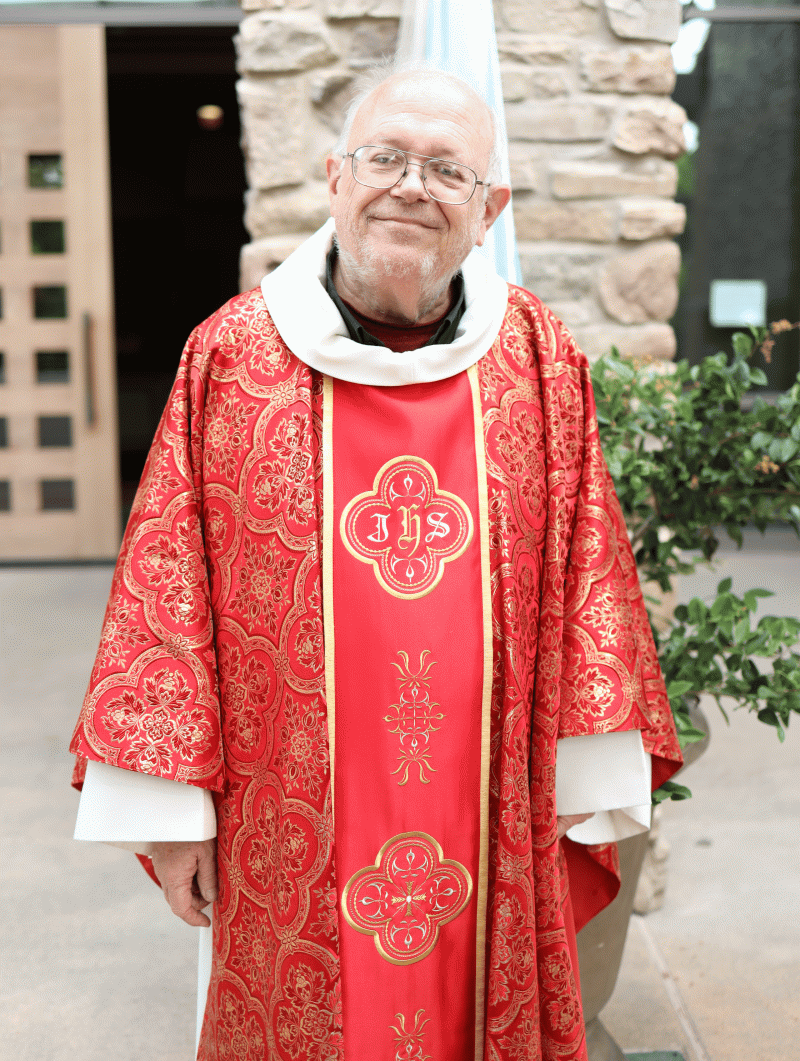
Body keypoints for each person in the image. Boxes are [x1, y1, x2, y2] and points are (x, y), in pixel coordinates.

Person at [71, 65, 682, 1061]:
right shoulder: (231, 357)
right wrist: (170, 809)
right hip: (288, 813)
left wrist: (587, 778)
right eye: (386, 157)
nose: (411, 185)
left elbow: (589, 579)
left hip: (494, 806)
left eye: (446, 170)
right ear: (332, 176)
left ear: (489, 210)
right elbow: (164, 594)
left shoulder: (535, 356)